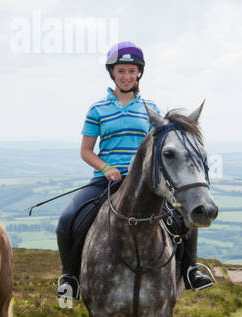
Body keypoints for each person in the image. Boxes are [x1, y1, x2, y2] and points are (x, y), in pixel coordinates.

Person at [55, 42, 214, 300]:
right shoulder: (97, 110)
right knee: (67, 220)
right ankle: (70, 280)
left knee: (184, 218)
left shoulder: (150, 109)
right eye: (121, 71)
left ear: (139, 73)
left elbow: (163, 147)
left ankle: (190, 270)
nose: (126, 76)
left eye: (131, 71)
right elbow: (86, 151)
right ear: (112, 74)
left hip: (146, 183)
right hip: (106, 180)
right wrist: (106, 168)